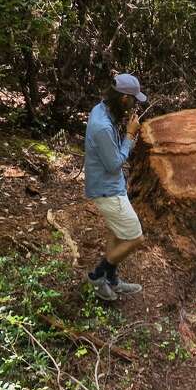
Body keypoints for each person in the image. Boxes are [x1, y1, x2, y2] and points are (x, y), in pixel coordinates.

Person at [84, 73, 147, 300]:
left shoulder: (102, 110)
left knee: (116, 231)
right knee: (136, 238)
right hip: (107, 190)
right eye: (133, 101)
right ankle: (98, 275)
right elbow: (113, 164)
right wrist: (130, 136)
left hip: (110, 186)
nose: (134, 106)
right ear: (123, 100)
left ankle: (111, 280)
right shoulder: (102, 126)